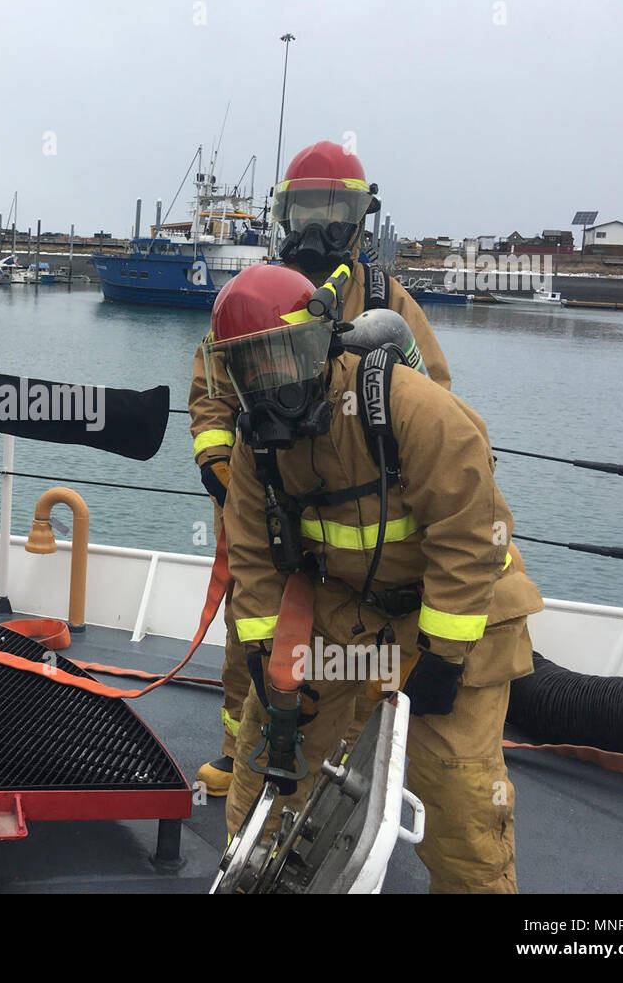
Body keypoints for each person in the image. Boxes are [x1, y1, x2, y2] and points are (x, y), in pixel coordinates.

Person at [207, 262, 543, 893]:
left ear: (321, 342)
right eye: (250, 366)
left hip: (458, 618)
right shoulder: (257, 450)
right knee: (271, 748)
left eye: (282, 358)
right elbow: (252, 556)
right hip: (344, 614)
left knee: (458, 787)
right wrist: (261, 652)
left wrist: (443, 656)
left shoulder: (412, 411)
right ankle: (254, 878)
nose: (268, 382)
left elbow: (470, 539)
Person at [190, 141, 451, 795]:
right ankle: (238, 747)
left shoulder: (389, 300)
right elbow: (212, 394)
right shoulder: (255, 297)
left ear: (362, 216)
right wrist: (229, 477)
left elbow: (439, 405)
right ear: (283, 215)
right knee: (250, 636)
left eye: (332, 210)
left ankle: (349, 773)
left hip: (364, 517)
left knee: (363, 658)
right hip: (270, 505)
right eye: (304, 210)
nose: (316, 227)